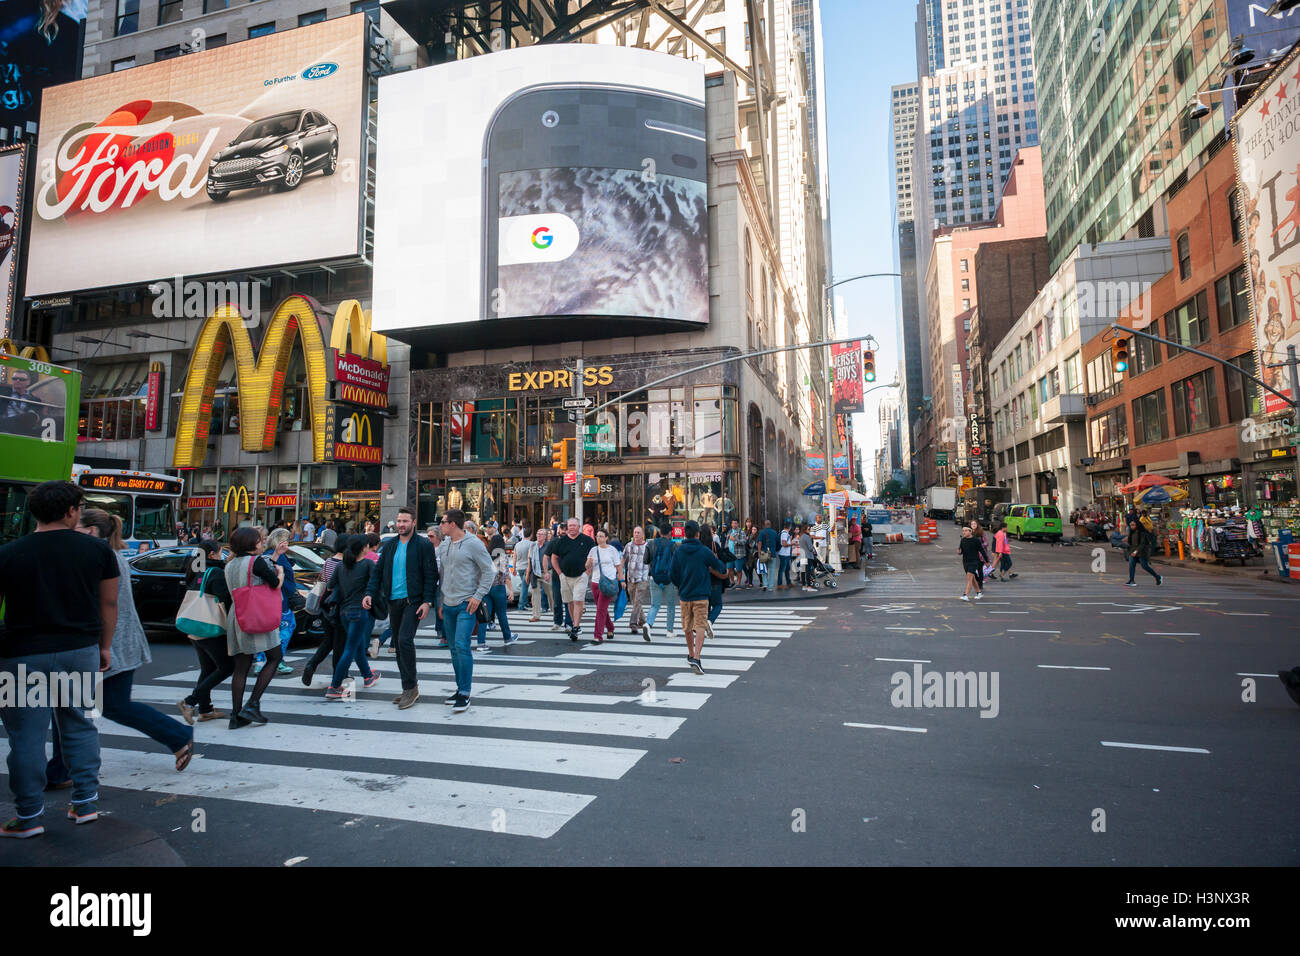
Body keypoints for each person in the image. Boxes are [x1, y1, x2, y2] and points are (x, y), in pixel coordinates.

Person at [0, 481, 119, 836]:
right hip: (79, 651)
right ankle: (84, 804)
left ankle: (28, 816)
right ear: (70, 511)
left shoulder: (8, 553)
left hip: (21, 654)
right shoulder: (97, 551)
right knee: (81, 726)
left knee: (25, 736)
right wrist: (105, 646)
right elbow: (109, 604)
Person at [48, 509, 197, 780]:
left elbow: (105, 604)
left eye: (76, 528)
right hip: (115, 641)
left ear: (91, 531)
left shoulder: (99, 558)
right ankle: (61, 768)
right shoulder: (109, 556)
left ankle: (178, 735)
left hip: (111, 642)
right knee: (72, 704)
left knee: (99, 705)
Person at [364, 506, 438, 710]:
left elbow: (431, 575)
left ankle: (411, 687)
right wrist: (369, 592)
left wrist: (427, 601)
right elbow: (377, 573)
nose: (401, 525)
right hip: (393, 601)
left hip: (412, 601)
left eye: (405, 521)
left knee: (405, 640)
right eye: (398, 521)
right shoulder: (390, 545)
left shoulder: (423, 545)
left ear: (414, 523)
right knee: (397, 644)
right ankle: (408, 688)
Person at [224, 526, 286, 727]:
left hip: (237, 615)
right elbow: (275, 583)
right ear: (252, 544)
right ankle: (253, 703)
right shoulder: (256, 562)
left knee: (241, 667)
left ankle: (235, 715)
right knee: (274, 657)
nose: (262, 543)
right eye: (259, 541)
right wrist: (281, 572)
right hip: (256, 613)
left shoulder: (229, 564)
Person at [435, 509, 496, 713]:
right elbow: (442, 574)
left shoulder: (474, 543)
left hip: (466, 604)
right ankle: (460, 688)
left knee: (462, 645)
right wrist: (442, 601)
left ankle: (465, 693)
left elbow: (489, 570)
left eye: (442, 522)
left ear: (452, 524)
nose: (440, 525)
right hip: (449, 603)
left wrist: (478, 596)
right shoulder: (444, 545)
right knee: (453, 648)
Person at [178, 539, 235, 722]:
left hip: (194, 626)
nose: (221, 555)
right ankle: (190, 701)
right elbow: (225, 600)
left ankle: (205, 709)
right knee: (227, 666)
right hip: (210, 627)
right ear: (212, 555)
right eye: (220, 552)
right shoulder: (215, 572)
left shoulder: (196, 569)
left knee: (208, 668)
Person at [322, 536, 381, 699]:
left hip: (344, 613)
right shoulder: (368, 564)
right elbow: (376, 583)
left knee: (357, 645)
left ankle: (368, 676)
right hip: (360, 612)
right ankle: (334, 686)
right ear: (363, 548)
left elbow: (330, 585)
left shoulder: (341, 566)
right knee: (350, 648)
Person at [670, 521, 728, 676]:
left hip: (684, 594)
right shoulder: (703, 551)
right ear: (698, 534)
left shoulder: (679, 550)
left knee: (687, 626)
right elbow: (720, 567)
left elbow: (672, 574)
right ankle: (696, 657)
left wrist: (681, 585)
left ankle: (690, 654)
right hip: (701, 594)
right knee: (700, 625)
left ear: (684, 534)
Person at [303, 535, 350, 685]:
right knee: (339, 643)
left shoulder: (329, 561)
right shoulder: (346, 563)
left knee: (328, 641)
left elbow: (324, 581)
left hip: (326, 604)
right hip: (339, 604)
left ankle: (312, 664)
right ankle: (338, 675)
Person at [253, 528, 298, 677]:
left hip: (276, 598)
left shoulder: (270, 554)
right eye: (286, 540)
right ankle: (275, 659)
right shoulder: (272, 555)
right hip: (278, 598)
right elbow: (272, 576)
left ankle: (264, 660)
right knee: (287, 626)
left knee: (271, 631)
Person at [551, 517, 596, 642]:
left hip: (581, 576)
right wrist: (559, 573)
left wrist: (588, 572)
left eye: (574, 526)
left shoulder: (587, 540)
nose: (571, 528)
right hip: (565, 576)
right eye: (569, 526)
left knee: (577, 600)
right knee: (569, 602)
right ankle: (575, 624)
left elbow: (593, 556)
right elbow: (554, 558)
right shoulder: (561, 541)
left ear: (579, 527)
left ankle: (575, 627)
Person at [475, 529, 516, 649]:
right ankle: (507, 638)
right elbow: (505, 575)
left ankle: (481, 643)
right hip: (498, 587)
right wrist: (511, 590)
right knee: (502, 614)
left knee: (484, 615)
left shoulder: (486, 556)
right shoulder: (501, 556)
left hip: (486, 588)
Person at [585, 528, 623, 644]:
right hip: (595, 582)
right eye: (597, 536)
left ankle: (598, 635)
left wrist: (621, 580)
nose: (598, 538)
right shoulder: (593, 550)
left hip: (608, 582)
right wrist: (589, 563)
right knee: (601, 609)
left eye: (601, 536)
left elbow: (619, 567)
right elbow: (587, 567)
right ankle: (610, 628)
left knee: (601, 610)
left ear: (606, 538)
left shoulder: (612, 550)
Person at [645, 527, 679, 639]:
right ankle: (669, 631)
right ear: (670, 533)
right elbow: (676, 561)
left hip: (655, 578)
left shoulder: (651, 544)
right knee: (670, 605)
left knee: (655, 605)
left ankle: (648, 624)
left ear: (660, 532)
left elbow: (645, 560)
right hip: (669, 579)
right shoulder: (673, 545)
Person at [622, 526, 651, 640]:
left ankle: (633, 623)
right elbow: (623, 559)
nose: (636, 534)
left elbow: (651, 561)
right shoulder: (629, 546)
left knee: (638, 600)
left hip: (643, 578)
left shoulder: (647, 546)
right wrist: (621, 576)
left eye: (638, 532)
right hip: (631, 578)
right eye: (635, 532)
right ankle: (644, 621)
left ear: (643, 534)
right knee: (634, 601)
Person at [701, 525, 728, 634]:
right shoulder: (714, 545)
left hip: (703, 581)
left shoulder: (699, 547)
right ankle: (710, 621)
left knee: (706, 606)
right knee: (717, 605)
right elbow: (722, 561)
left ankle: (704, 627)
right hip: (715, 579)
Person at [1125, 519, 1162, 587]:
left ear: (1137, 525)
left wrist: (1136, 552)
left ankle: (1157, 577)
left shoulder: (1142, 533)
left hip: (1141, 552)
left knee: (1144, 566)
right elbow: (1131, 543)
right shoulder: (1131, 532)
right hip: (1132, 551)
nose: (1131, 526)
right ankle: (1132, 580)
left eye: (1133, 525)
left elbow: (1142, 544)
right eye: (1130, 525)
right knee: (1131, 565)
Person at [958, 526, 984, 601]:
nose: (964, 532)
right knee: (972, 579)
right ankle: (979, 592)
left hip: (974, 561)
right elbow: (961, 551)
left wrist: (987, 561)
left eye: (966, 531)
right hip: (965, 562)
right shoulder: (963, 540)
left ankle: (965, 595)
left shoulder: (976, 540)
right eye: (963, 531)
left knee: (969, 578)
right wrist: (959, 552)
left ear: (970, 531)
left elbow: (982, 551)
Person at [757, 519, 780, 591]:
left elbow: (759, 543)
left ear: (764, 525)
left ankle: (765, 584)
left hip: (764, 554)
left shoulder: (761, 532)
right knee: (772, 571)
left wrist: (759, 553)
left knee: (764, 570)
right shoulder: (774, 532)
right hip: (772, 554)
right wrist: (775, 550)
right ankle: (770, 587)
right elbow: (778, 543)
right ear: (770, 525)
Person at [726, 519, 747, 588]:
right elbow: (727, 542)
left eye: (735, 523)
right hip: (729, 554)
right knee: (729, 568)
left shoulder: (741, 532)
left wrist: (735, 540)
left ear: (738, 524)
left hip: (738, 554)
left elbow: (743, 542)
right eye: (733, 523)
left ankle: (738, 583)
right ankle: (732, 582)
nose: (734, 525)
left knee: (738, 569)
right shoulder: (729, 531)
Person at [798, 523, 817, 591]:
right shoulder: (807, 537)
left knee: (803, 571)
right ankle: (809, 586)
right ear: (805, 530)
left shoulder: (801, 537)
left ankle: (804, 586)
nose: (810, 530)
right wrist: (814, 551)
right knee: (808, 571)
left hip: (802, 556)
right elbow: (810, 548)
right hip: (808, 556)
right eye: (809, 529)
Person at [777, 520, 794, 589]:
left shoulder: (785, 534)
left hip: (786, 554)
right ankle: (779, 584)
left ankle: (789, 583)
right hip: (783, 554)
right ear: (789, 527)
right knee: (782, 569)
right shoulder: (784, 534)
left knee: (787, 569)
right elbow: (784, 544)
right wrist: (792, 544)